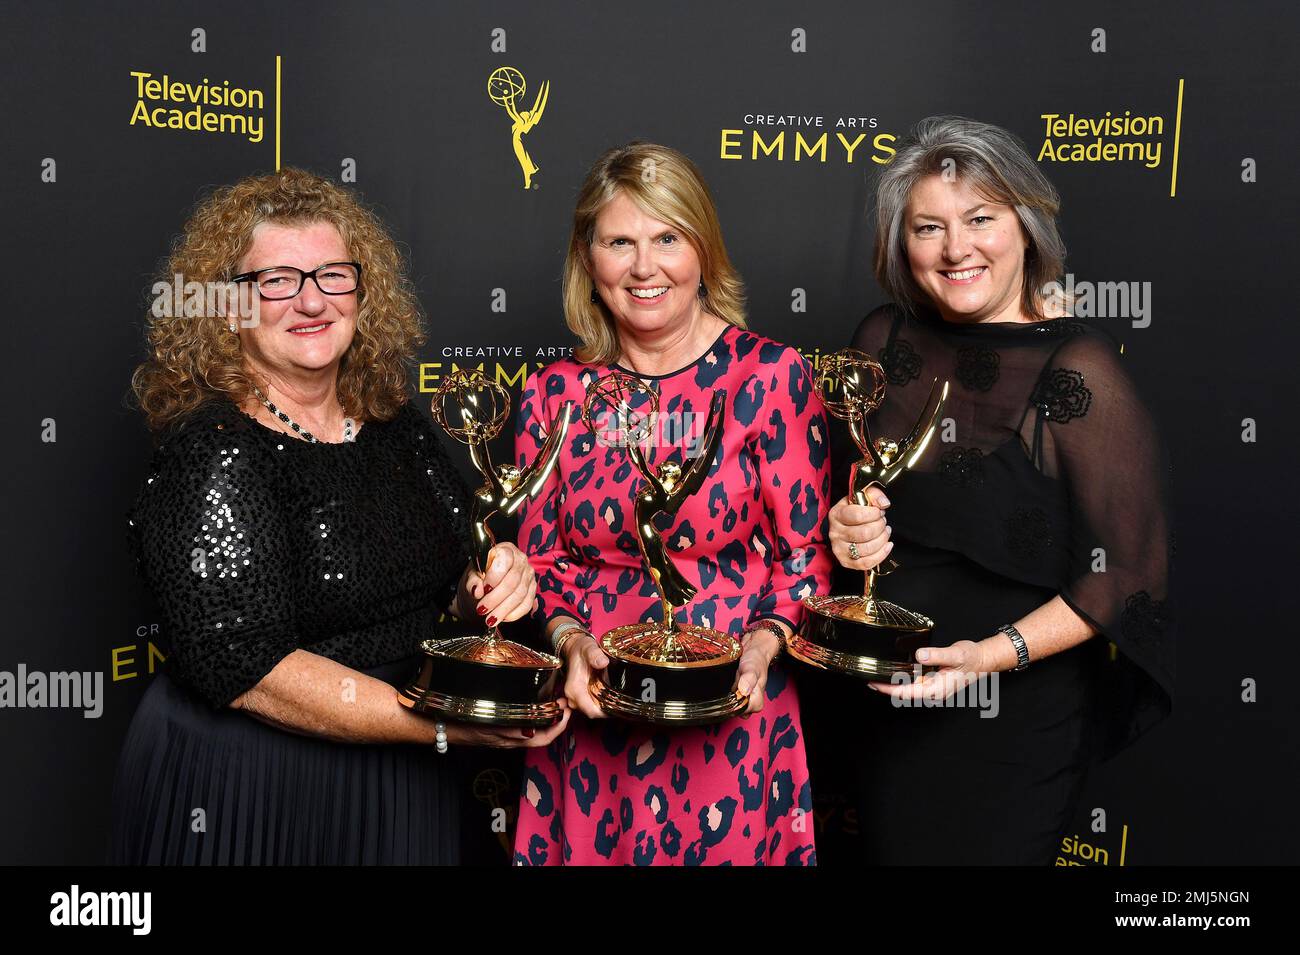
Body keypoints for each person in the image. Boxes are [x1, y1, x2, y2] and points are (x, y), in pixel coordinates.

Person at [111, 167, 569, 865]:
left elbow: (451, 574)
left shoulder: (394, 426)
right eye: (277, 281)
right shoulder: (214, 448)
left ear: (363, 290)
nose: (310, 301)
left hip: (398, 779)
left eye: (331, 275)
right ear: (227, 306)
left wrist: (497, 578)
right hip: (253, 791)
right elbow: (249, 667)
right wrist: (445, 727)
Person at [824, 116, 1174, 864]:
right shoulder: (882, 340)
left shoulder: (1079, 369)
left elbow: (1128, 574)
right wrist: (848, 527)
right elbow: (850, 498)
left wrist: (993, 655)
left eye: (980, 218)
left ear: (1024, 224)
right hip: (886, 708)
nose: (957, 248)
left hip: (1015, 720)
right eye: (929, 227)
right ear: (900, 244)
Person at [511, 143, 831, 865]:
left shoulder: (770, 376)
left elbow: (804, 556)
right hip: (596, 718)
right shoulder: (553, 395)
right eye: (619, 241)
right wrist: (569, 643)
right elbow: (542, 558)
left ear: (703, 250)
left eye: (666, 238)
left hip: (733, 719)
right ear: (587, 259)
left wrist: (764, 644)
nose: (644, 266)